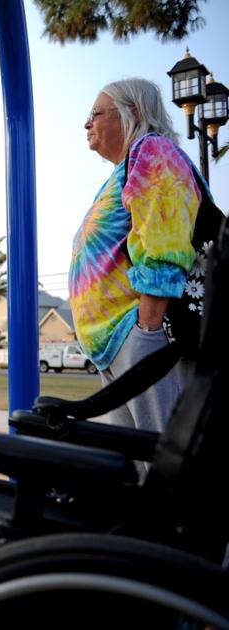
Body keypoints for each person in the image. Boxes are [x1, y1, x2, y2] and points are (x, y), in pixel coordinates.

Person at [70, 78, 201, 434]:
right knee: (141, 470)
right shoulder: (125, 167)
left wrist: (146, 329)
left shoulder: (152, 150)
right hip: (121, 346)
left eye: (96, 113)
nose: (87, 123)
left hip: (142, 340)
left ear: (134, 113)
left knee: (163, 465)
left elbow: (165, 242)